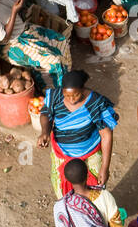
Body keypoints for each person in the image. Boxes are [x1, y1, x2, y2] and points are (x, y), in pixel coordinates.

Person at [38, 70, 119, 199]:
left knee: (95, 191)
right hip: (62, 153)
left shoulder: (95, 103)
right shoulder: (55, 96)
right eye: (67, 95)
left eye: (75, 95)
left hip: (90, 153)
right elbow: (45, 114)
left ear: (83, 89)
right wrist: (45, 132)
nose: (71, 99)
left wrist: (104, 167)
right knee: (63, 192)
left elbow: (106, 135)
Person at [0, 0, 71, 87]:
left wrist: (22, 9)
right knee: (53, 61)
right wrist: (14, 12)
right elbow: (4, 38)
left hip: (25, 30)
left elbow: (20, 14)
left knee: (61, 40)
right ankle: (54, 92)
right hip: (11, 45)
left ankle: (66, 78)